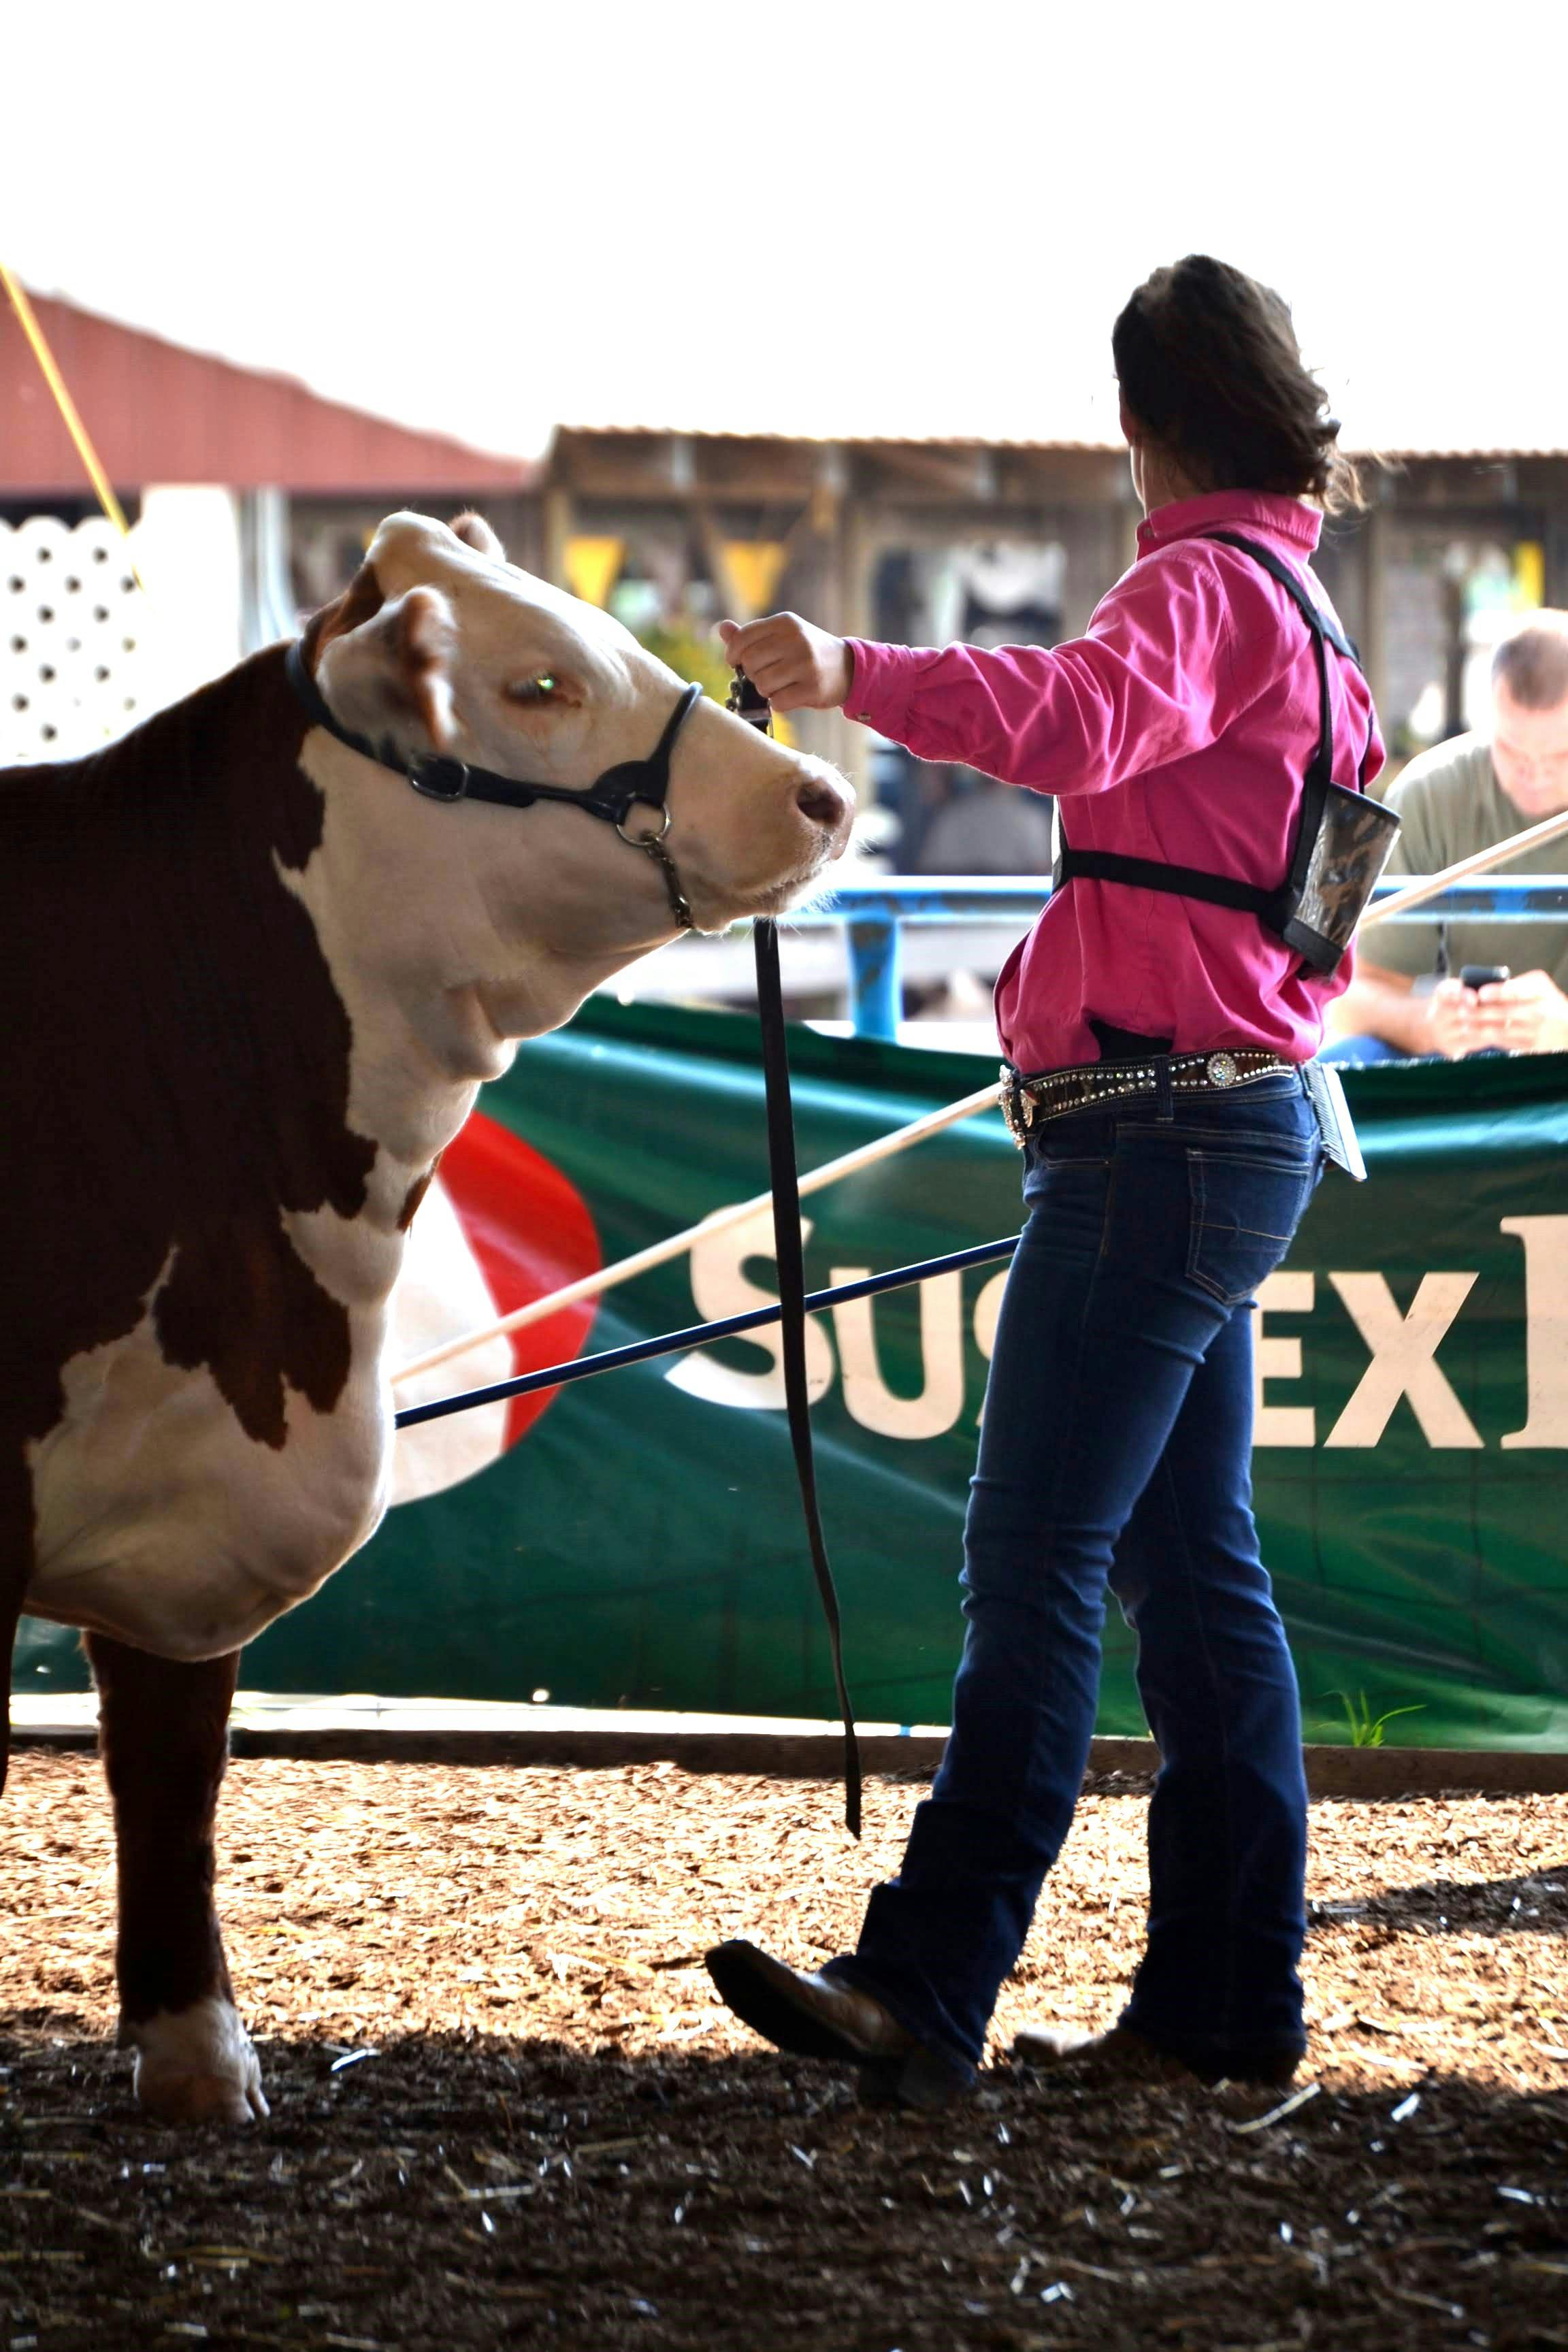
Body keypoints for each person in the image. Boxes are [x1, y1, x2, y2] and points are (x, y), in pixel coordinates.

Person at [702, 254, 1384, 2109]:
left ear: (1143, 426)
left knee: (1040, 1554)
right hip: (1239, 1121)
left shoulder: (1193, 587)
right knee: (1192, 1571)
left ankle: (932, 1977)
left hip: (1155, 1133)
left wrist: (853, 673)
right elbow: (1325, 923)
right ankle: (1227, 2006)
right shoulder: (1314, 625)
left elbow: (1080, 719)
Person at [1323, 614, 1568, 1061]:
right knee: (1336, 1068)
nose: (1534, 776)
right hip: (1455, 1058)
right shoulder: (1427, 790)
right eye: (1512, 751)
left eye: (1560, 756)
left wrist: (1563, 1027)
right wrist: (1425, 1024)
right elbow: (1340, 996)